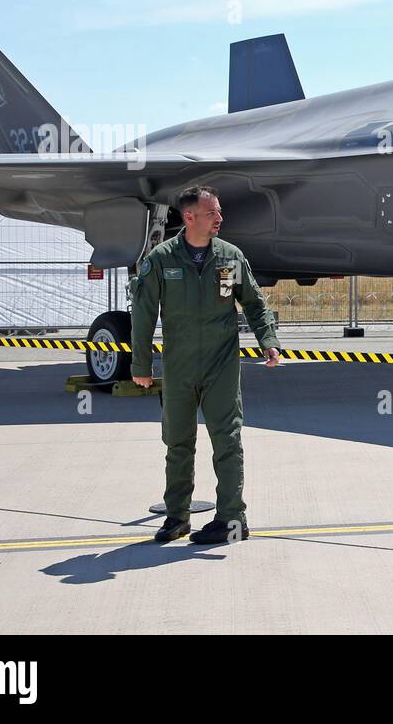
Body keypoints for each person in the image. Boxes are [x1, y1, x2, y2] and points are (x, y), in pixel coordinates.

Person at [130, 185, 282, 544]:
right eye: (212, 212)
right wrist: (140, 364)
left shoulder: (230, 257)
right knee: (178, 443)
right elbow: (144, 313)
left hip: (221, 366)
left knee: (227, 441)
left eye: (219, 212)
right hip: (179, 367)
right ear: (189, 217)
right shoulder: (162, 259)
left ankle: (232, 519)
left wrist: (269, 342)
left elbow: (255, 304)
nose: (220, 218)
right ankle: (176, 517)